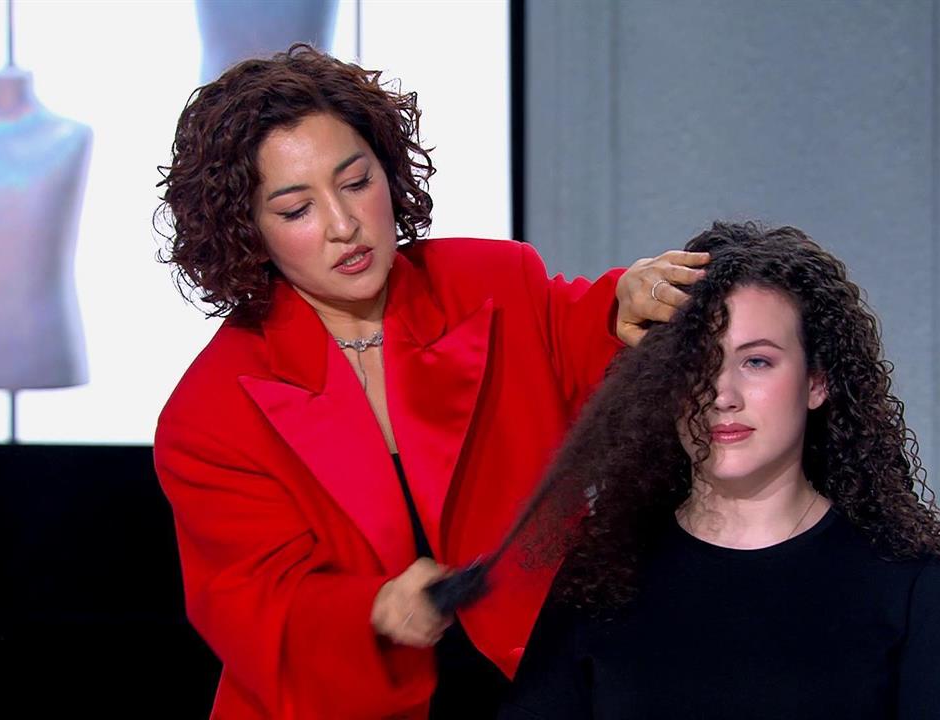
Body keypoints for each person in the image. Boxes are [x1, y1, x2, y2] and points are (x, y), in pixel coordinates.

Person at [151, 44, 707, 719]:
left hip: (540, 682)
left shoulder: (496, 283)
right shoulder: (209, 411)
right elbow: (254, 602)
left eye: (356, 181)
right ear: (247, 231)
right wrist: (374, 606)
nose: (344, 225)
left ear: (388, 172)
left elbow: (589, 327)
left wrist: (630, 298)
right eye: (297, 210)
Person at [501, 221, 940, 719]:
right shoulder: (603, 574)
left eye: (757, 362)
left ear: (817, 382)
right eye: (698, 362)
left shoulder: (900, 577)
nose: (722, 395)